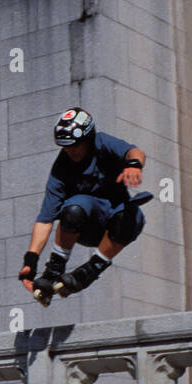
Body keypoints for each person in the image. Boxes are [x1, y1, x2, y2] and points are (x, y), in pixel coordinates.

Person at [19, 108, 153, 306]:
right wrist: (30, 262)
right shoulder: (61, 168)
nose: (70, 151)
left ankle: (92, 269)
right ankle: (54, 270)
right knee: (74, 207)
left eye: (75, 145)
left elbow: (134, 151)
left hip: (116, 221)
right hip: (87, 227)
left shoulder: (102, 143)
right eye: (65, 147)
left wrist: (133, 165)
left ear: (88, 139)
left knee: (132, 216)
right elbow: (45, 220)